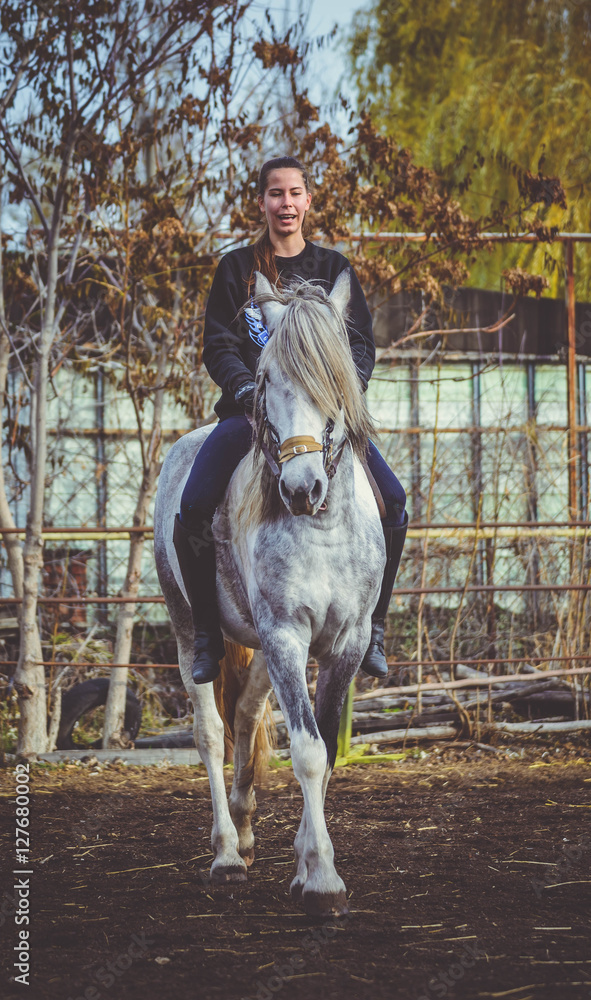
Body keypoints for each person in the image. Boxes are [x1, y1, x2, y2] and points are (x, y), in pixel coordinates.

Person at [173, 155, 407, 685]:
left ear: (308, 200)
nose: (286, 203)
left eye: (295, 193)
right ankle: (207, 634)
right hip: (251, 418)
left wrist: (341, 395)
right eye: (276, 193)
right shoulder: (236, 270)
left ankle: (374, 627)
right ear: (262, 202)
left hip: (325, 421)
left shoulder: (334, 269)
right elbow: (218, 346)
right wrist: (246, 390)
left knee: (393, 501)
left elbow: (361, 347)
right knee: (193, 507)